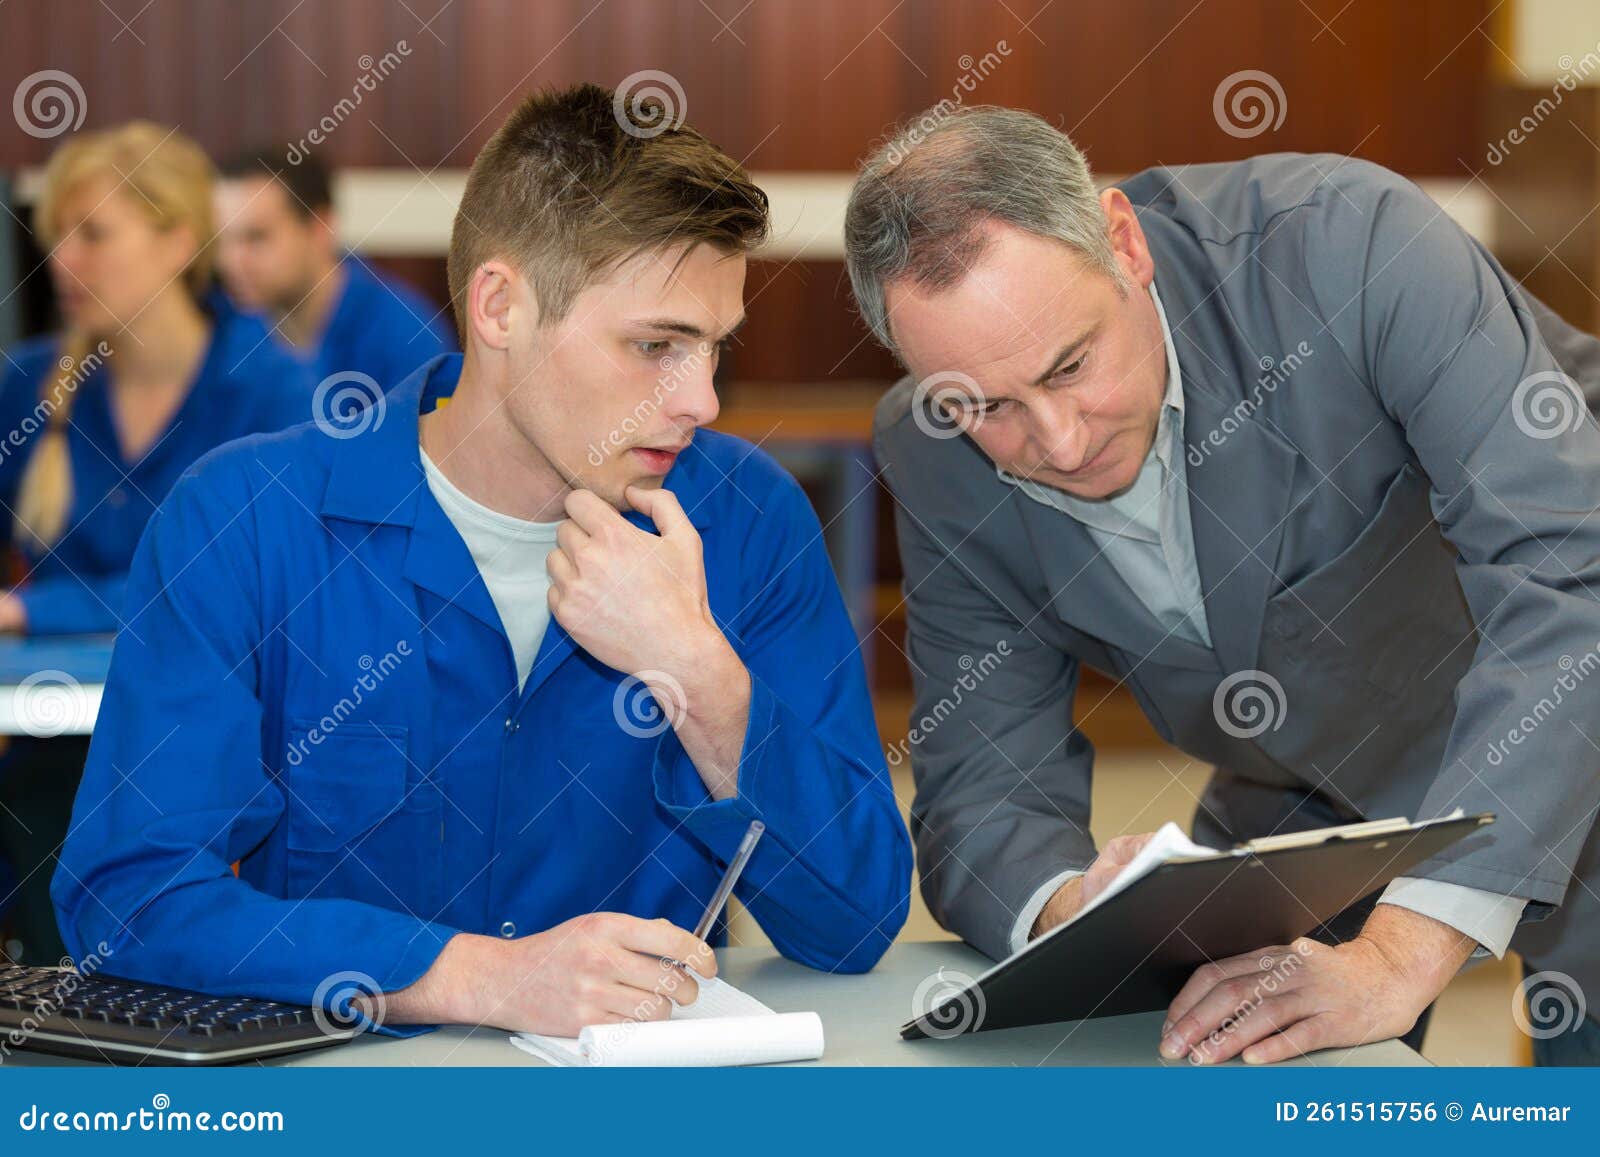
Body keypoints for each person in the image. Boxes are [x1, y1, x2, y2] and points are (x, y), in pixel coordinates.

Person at [53, 85, 911, 1037]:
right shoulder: (245, 519)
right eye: (656, 345)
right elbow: (130, 898)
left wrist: (699, 671)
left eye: (714, 347)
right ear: (500, 306)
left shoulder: (749, 523)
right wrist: (478, 977)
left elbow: (856, 921)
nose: (702, 399)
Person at [849, 105, 1600, 1065]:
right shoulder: (934, 451)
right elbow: (983, 784)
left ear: (1124, 244)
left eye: (1073, 365)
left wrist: (1404, 950)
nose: (1061, 442)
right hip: (1307, 800)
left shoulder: (1347, 247)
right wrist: (1084, 909)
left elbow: (1566, 573)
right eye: (990, 406)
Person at [0, 122, 313, 963]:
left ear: (179, 240)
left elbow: (208, 587)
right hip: (46, 757)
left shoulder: (272, 391)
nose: (63, 261)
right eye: (54, 236)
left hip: (218, 760)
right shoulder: (28, 383)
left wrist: (29, 607)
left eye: (92, 234)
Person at [213, 148, 455, 392]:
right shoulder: (223, 324)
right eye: (221, 240)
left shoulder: (406, 338)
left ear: (320, 228)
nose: (231, 261)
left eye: (256, 237)